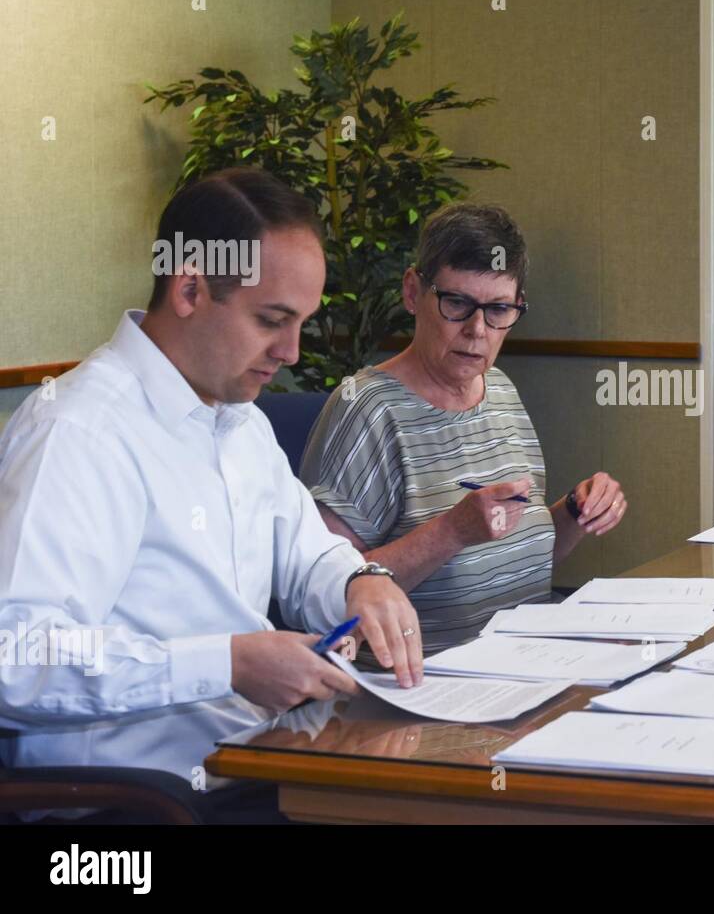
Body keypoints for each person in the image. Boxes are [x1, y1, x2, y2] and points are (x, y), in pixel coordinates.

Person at [0, 168, 420, 820]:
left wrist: (358, 581)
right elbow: (16, 659)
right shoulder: (76, 430)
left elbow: (308, 554)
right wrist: (223, 664)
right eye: (272, 320)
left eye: (303, 322)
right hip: (133, 808)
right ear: (191, 287)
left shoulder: (240, 419)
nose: (291, 350)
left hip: (255, 766)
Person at [301, 203, 627, 656]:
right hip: (420, 684)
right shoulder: (366, 410)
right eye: (457, 303)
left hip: (522, 666)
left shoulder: (499, 388)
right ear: (413, 292)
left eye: (498, 310)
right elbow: (327, 598)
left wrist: (574, 512)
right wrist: (450, 531)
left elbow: (515, 563)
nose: (478, 330)